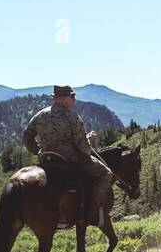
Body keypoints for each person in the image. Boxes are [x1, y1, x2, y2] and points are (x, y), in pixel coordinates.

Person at [23, 86, 113, 220]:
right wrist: (89, 140)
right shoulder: (72, 117)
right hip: (70, 158)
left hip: (46, 159)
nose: (74, 100)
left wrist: (37, 151)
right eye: (73, 97)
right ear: (65, 98)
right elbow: (83, 148)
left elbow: (26, 136)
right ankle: (92, 212)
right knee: (106, 173)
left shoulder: (40, 115)